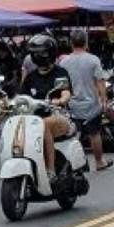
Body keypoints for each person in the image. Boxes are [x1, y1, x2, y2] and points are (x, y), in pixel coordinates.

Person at [18, 34, 74, 173]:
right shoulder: (31, 76)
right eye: (35, 53)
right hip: (33, 117)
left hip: (58, 115)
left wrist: (60, 100)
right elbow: (21, 96)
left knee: (43, 126)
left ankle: (50, 169)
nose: (38, 55)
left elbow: (66, 92)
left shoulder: (60, 72)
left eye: (42, 52)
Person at [59, 29, 112, 171]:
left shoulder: (64, 62)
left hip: (72, 104)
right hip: (91, 104)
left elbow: (61, 84)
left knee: (74, 135)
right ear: (86, 42)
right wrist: (104, 99)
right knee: (94, 134)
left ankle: (78, 164)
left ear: (71, 43)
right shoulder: (93, 60)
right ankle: (99, 162)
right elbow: (100, 82)